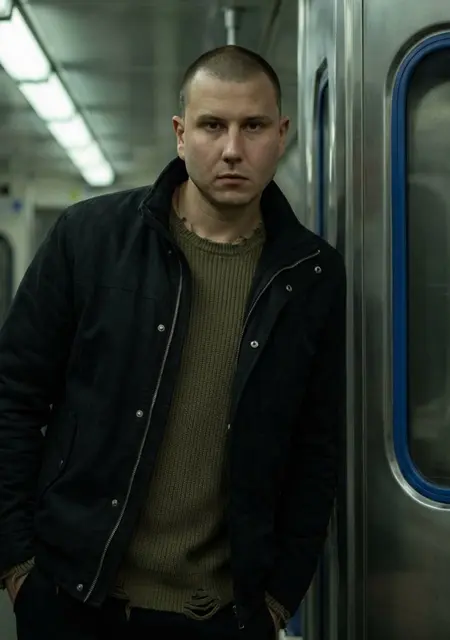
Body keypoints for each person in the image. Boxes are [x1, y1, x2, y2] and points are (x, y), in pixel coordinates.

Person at [0, 45, 346, 640]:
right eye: (212, 125)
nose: (232, 148)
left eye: (253, 126)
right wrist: (18, 564)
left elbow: (316, 448)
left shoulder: (311, 273)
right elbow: (13, 397)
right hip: (72, 597)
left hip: (221, 617)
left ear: (282, 134)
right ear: (181, 135)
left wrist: (278, 599)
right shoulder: (90, 239)